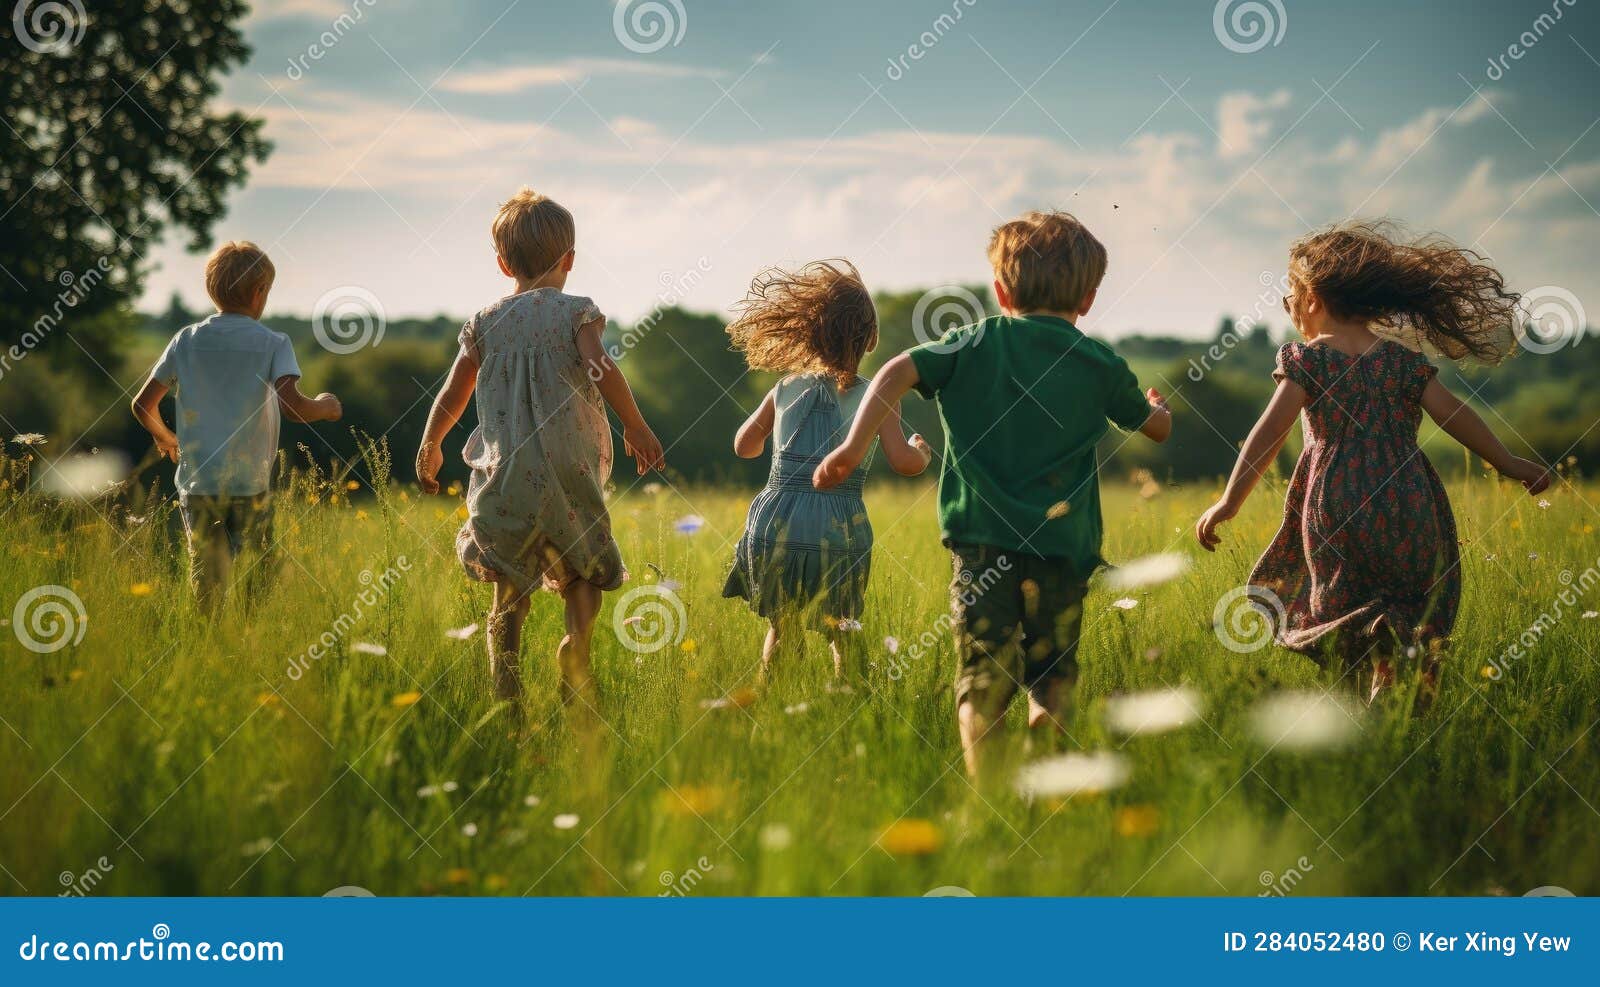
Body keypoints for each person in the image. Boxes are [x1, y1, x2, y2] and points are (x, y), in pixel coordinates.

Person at [815, 212, 1171, 781]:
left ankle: (989, 801)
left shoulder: (973, 343)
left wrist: (855, 449)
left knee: (980, 682)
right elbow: (1155, 429)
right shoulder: (1100, 362)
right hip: (1064, 547)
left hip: (982, 547)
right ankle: (1041, 776)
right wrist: (1159, 407)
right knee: (1053, 677)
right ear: (1088, 296)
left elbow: (896, 371)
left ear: (1000, 291)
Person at [1195, 221, 1550, 707]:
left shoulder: (1309, 361)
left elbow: (1268, 434)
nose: (1289, 307)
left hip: (1335, 505)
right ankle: (1403, 697)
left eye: (1290, 295)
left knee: (1338, 612)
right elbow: (1455, 415)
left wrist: (1228, 501)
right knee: (1411, 604)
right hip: (1408, 501)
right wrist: (1509, 462)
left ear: (1314, 298)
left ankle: (1360, 714)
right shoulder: (1402, 362)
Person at [416, 187, 664, 713]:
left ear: (504, 263)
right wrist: (636, 426)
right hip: (570, 469)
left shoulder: (485, 322)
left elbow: (454, 393)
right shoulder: (578, 313)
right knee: (581, 573)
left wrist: (430, 442)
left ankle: (506, 694)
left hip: (506, 476)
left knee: (509, 587)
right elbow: (602, 368)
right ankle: (575, 649)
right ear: (570, 259)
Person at [723, 260, 932, 680]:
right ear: (870, 339)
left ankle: (772, 710)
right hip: (837, 527)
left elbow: (744, 447)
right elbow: (904, 464)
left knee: (782, 628)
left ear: (808, 333)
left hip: (776, 523)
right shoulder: (877, 395)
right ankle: (848, 702)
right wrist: (921, 450)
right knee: (844, 629)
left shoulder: (784, 388)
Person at [131, 240, 342, 611]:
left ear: (211, 290)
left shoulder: (186, 340)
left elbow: (143, 404)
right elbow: (293, 408)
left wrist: (166, 438)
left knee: (207, 582)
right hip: (249, 483)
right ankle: (247, 642)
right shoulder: (274, 342)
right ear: (260, 292)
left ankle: (206, 647)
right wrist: (325, 408)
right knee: (258, 574)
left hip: (199, 484)